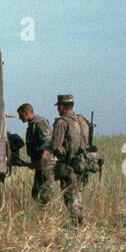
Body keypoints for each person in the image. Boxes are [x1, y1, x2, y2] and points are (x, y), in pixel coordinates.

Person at [51, 94, 91, 225]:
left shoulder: (62, 122)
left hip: (69, 164)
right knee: (77, 191)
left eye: (58, 106)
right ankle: (81, 219)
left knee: (70, 193)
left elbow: (56, 145)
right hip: (83, 162)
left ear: (61, 107)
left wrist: (60, 155)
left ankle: (76, 222)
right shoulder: (83, 120)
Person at [16, 102, 54, 205]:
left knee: (45, 192)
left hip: (45, 163)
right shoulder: (32, 124)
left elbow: (47, 144)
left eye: (21, 115)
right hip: (40, 163)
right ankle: (40, 213)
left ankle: (47, 215)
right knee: (36, 192)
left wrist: (42, 161)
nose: (20, 118)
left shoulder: (40, 123)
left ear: (26, 112)